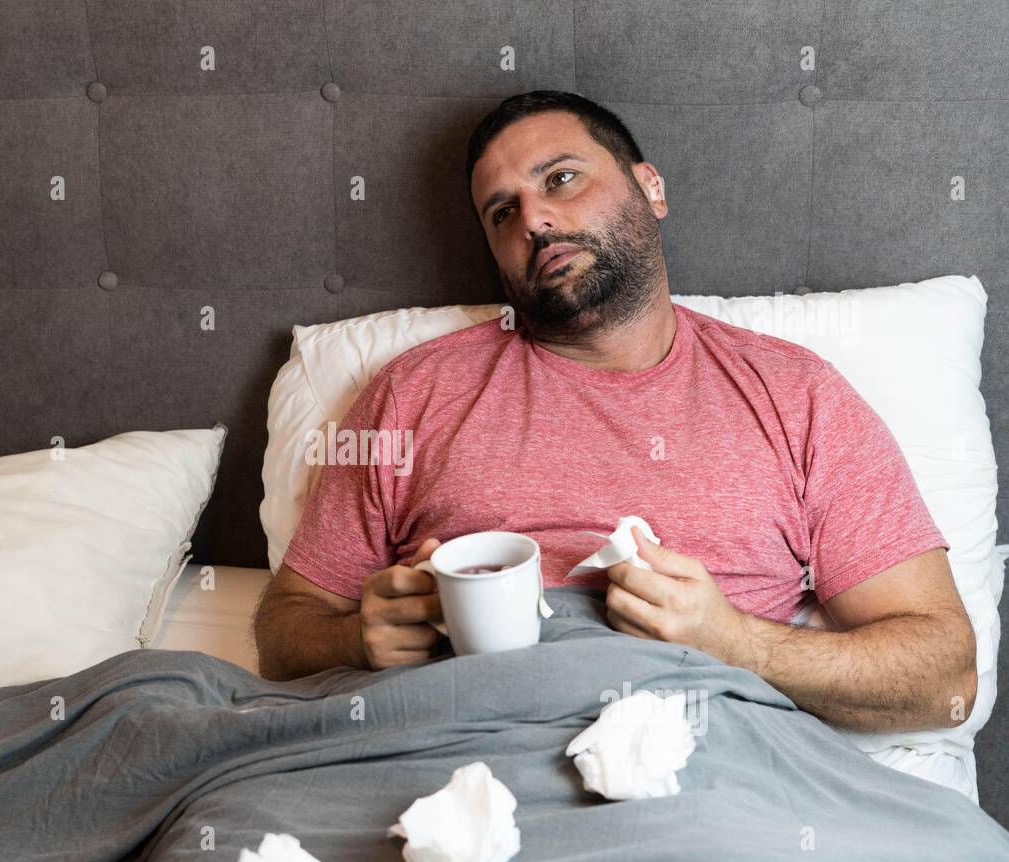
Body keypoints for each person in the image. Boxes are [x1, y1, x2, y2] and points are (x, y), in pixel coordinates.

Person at [253, 90, 975, 751]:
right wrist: (358, 636)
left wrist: (737, 643)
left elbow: (944, 678)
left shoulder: (797, 398)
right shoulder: (413, 392)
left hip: (696, 754)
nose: (533, 218)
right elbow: (286, 627)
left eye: (560, 179)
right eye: (502, 212)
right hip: (456, 746)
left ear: (650, 188)